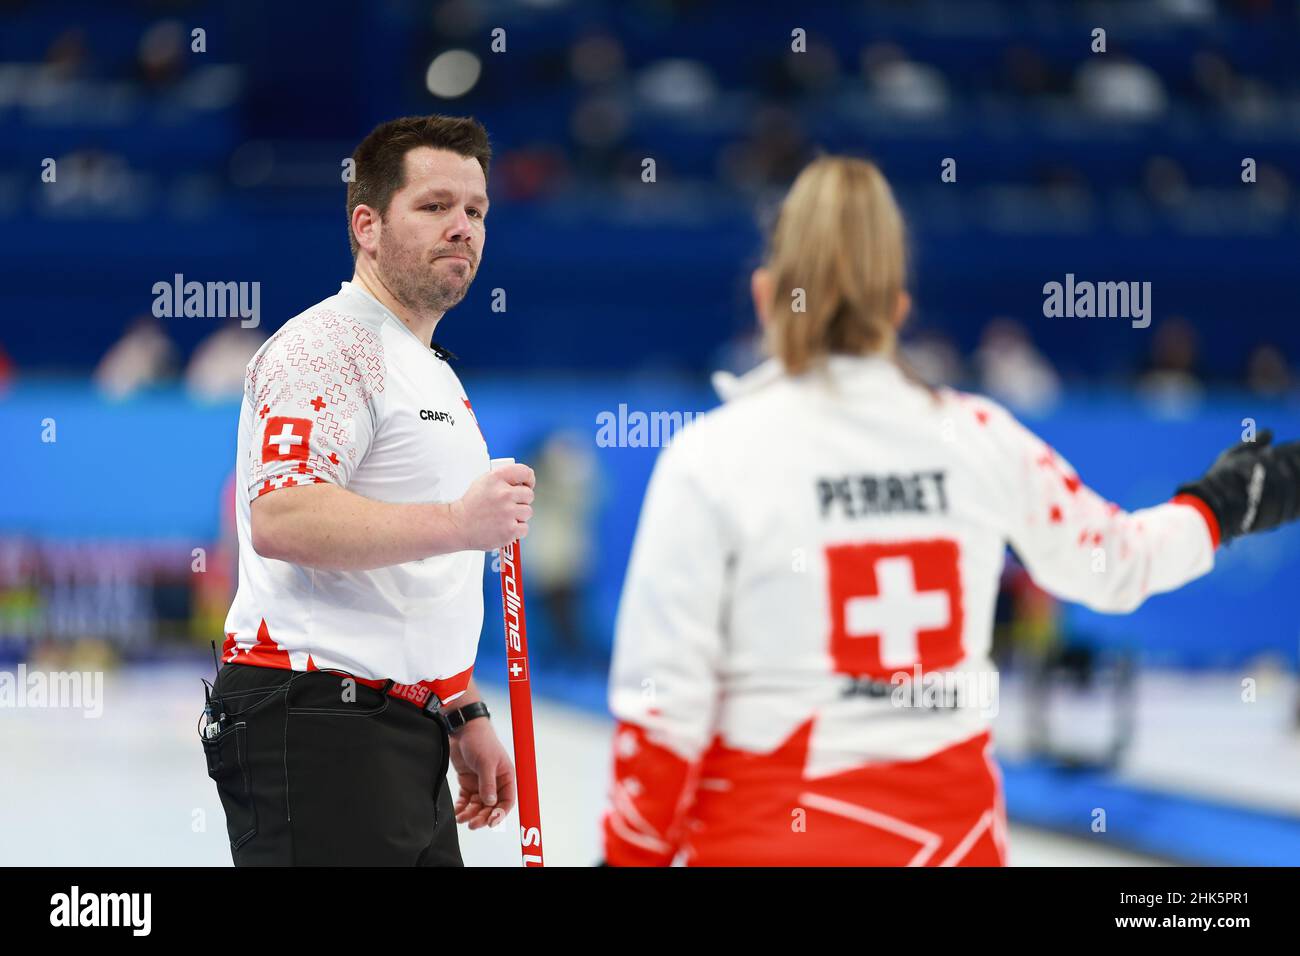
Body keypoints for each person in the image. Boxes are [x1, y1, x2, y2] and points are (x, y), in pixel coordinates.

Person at [600, 155, 1300, 867]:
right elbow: (1116, 562)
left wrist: (625, 857)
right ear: (898, 306)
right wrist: (1224, 505)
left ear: (765, 294)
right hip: (950, 846)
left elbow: (664, 710)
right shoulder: (977, 437)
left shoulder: (712, 456)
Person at [203, 115, 535, 866]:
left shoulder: (431, 370)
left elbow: (412, 580)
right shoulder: (327, 346)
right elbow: (283, 517)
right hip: (317, 717)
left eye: (476, 211)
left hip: (397, 727)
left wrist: (459, 703)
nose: (462, 228)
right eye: (434, 206)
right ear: (368, 224)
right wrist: (460, 519)